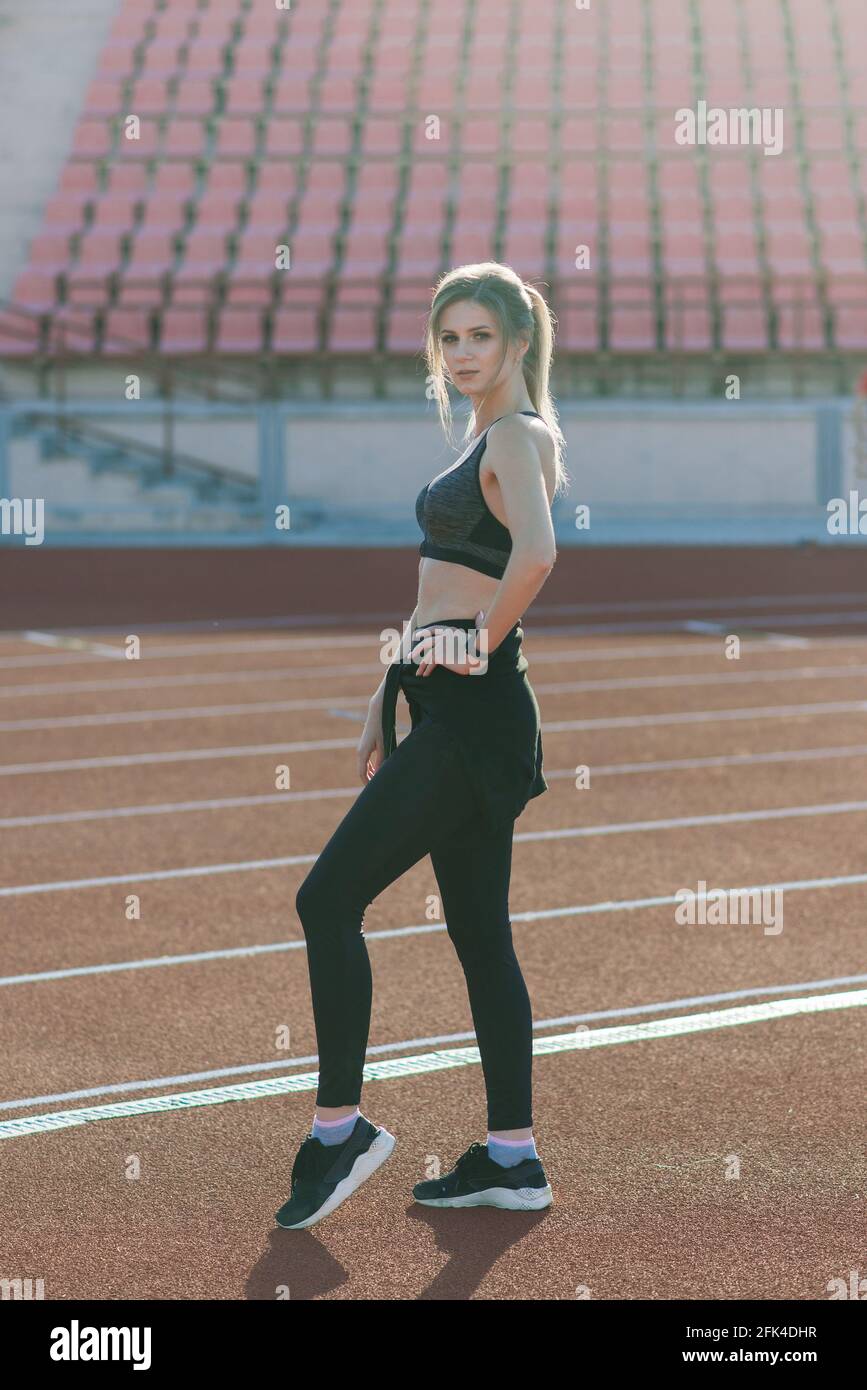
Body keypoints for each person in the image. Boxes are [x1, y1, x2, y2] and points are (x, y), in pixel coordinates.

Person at [275, 262, 569, 1229]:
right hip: (444, 710)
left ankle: (339, 1131)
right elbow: (433, 589)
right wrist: (382, 698)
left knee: (326, 900)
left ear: (519, 342)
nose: (462, 353)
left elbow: (536, 554)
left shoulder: (518, 436)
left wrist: (476, 646)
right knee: (479, 933)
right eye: (449, 339)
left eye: (480, 335)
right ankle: (513, 1158)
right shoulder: (484, 439)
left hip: (474, 716)